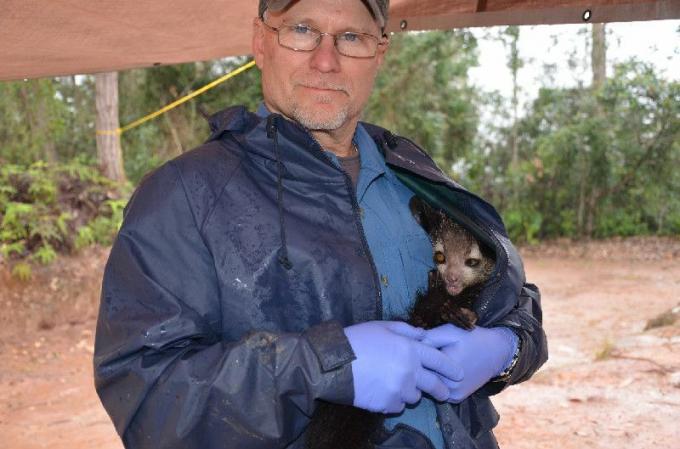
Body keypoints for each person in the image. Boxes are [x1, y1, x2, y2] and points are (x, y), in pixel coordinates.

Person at [93, 0, 548, 448]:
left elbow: (511, 296)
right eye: (302, 30)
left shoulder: (418, 180)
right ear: (260, 41)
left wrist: (505, 349)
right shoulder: (184, 196)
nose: (325, 60)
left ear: (380, 53)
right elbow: (149, 398)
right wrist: (323, 366)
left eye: (351, 37)